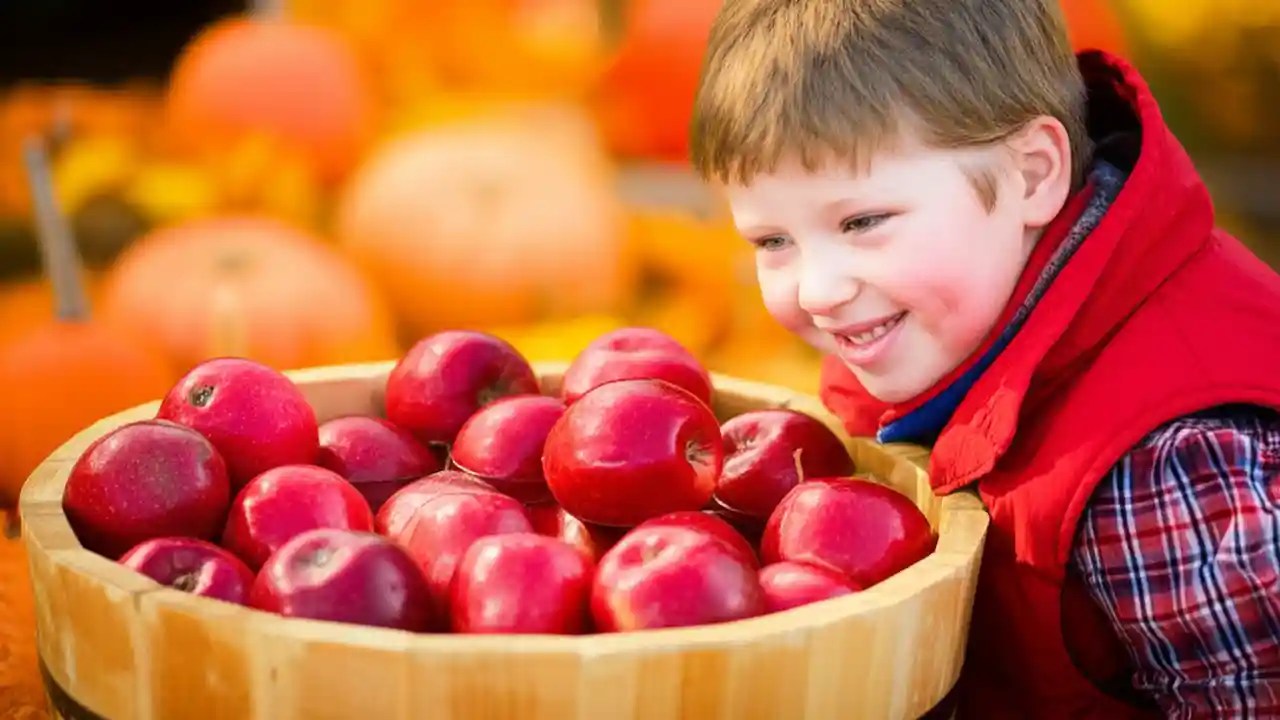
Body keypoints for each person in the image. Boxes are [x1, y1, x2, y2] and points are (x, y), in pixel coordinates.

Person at [688, 1, 1280, 717]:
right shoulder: (938, 334)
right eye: (772, 241)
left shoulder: (1164, 468)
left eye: (863, 222)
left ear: (1032, 177)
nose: (816, 290)